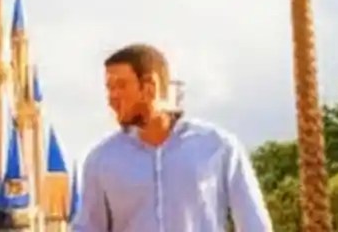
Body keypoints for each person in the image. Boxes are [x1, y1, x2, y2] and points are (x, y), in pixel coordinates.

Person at [73, 43, 272, 232]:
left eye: (120, 86)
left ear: (149, 87)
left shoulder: (219, 147)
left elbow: (254, 225)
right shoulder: (101, 161)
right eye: (109, 88)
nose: (111, 97)